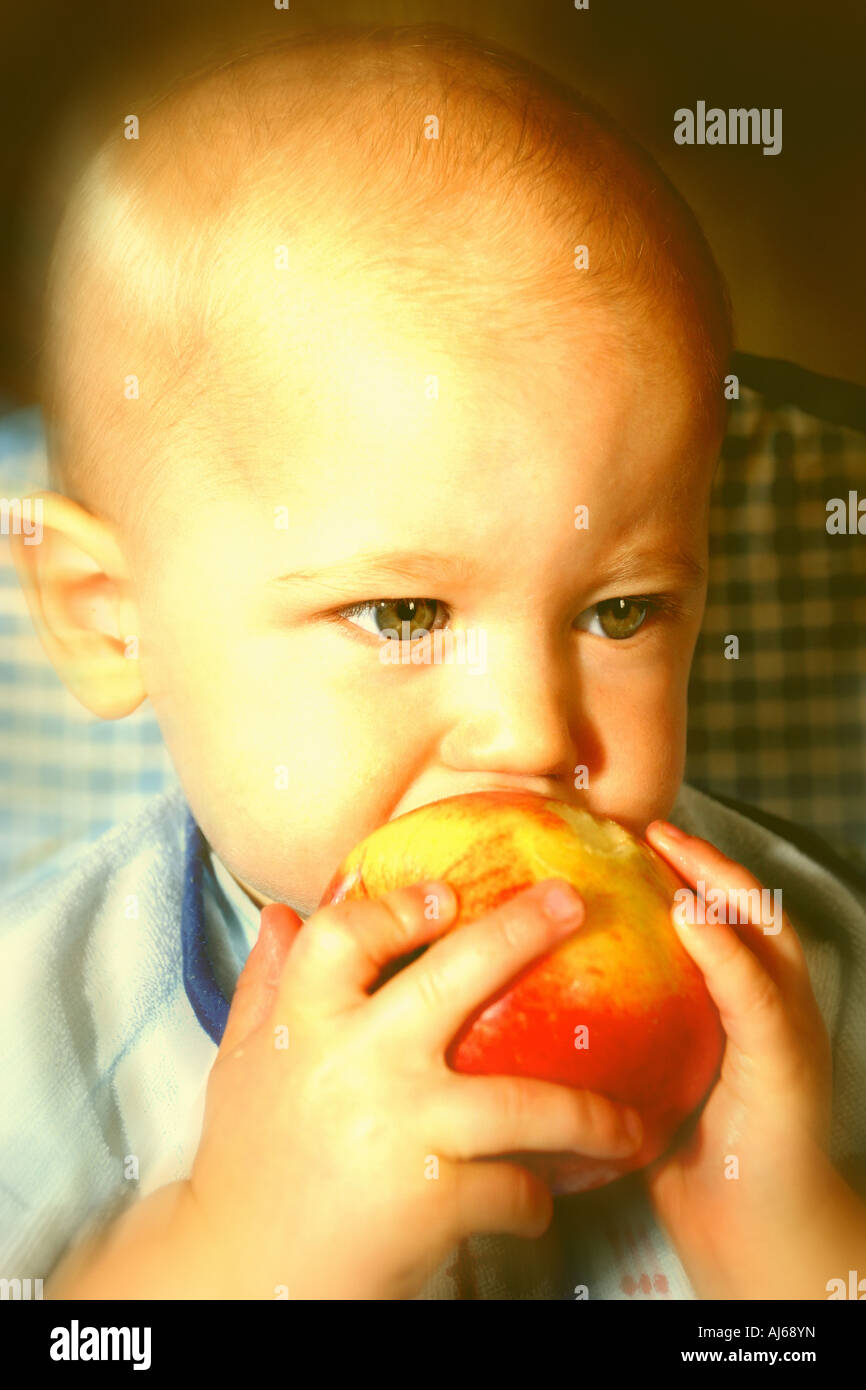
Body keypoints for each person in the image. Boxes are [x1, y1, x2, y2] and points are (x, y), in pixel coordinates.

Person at [3, 22, 865, 1300]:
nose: (528, 731)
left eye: (620, 612)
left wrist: (795, 1245)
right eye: (402, 614)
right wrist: (227, 1260)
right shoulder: (45, 1032)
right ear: (105, 616)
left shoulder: (794, 984)